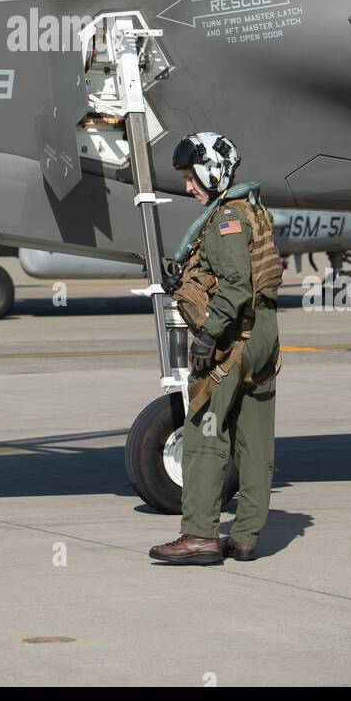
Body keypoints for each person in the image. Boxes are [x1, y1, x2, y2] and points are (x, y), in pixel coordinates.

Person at [150, 132, 283, 566]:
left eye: (191, 176)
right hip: (263, 336)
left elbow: (236, 286)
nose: (188, 185)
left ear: (211, 171)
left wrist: (208, 334)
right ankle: (245, 537)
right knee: (256, 439)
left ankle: (200, 536)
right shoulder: (252, 211)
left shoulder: (226, 219)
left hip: (234, 337)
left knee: (204, 430)